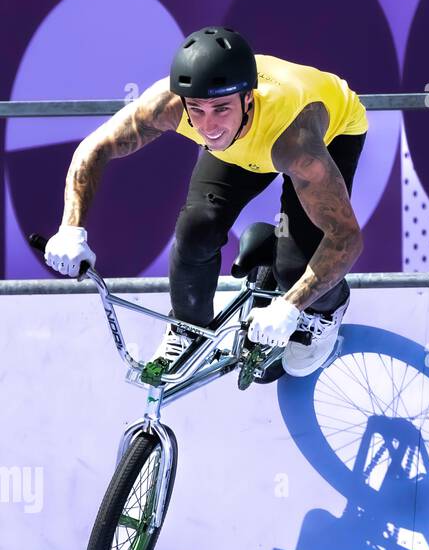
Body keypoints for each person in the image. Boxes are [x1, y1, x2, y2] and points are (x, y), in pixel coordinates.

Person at [43, 26, 367, 377]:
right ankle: (187, 329)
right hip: (244, 142)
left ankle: (325, 313)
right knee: (196, 227)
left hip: (326, 130)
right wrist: (70, 228)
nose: (208, 125)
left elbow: (346, 237)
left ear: (248, 98)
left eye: (219, 109)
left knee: (295, 272)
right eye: (196, 109)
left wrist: (290, 307)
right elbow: (95, 147)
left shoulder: (297, 144)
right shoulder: (171, 106)